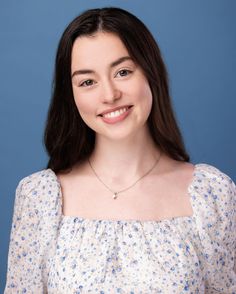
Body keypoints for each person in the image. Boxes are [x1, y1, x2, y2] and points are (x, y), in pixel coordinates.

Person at [4, 7, 236, 293]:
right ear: (71, 94)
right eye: (87, 82)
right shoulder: (39, 197)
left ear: (151, 72)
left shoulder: (211, 194)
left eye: (123, 72)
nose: (110, 95)